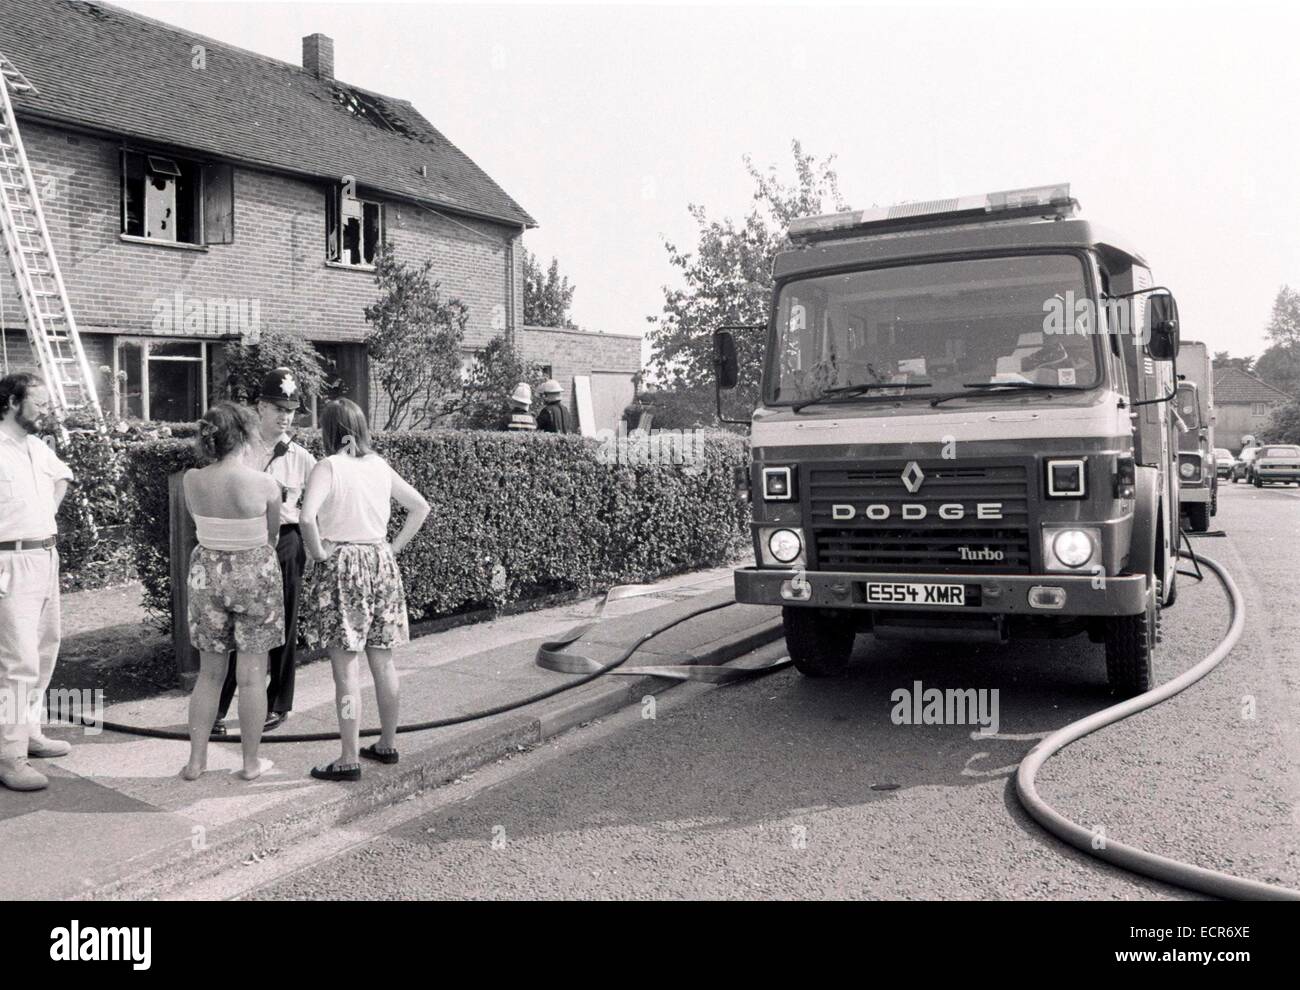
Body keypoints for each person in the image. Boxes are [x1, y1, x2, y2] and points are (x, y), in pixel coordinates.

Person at [298, 399, 429, 781]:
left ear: (328, 431)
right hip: (380, 563)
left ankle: (349, 757)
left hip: (343, 566)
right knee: (383, 661)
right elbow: (420, 507)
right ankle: (387, 744)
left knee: (346, 671)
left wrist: (320, 551)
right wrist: (392, 547)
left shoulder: (329, 466)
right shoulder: (378, 465)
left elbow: (307, 517)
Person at [180, 402, 284, 782]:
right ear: (245, 436)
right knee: (252, 676)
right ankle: (250, 762)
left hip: (206, 571)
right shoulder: (264, 484)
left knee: (209, 674)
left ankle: (196, 761)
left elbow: (197, 520)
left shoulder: (192, 479)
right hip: (253, 570)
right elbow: (271, 536)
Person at [212, 368, 316, 736]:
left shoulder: (302, 458)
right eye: (277, 407)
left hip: (286, 542)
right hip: (245, 539)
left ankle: (278, 704)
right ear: (260, 407)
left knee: (283, 626)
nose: (285, 415)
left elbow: (318, 506)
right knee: (235, 628)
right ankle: (217, 710)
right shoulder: (240, 450)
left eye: (290, 409)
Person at [0, 374, 74, 792]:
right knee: (17, 662)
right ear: (12, 401)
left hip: (45, 556)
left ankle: (27, 732)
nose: (46, 411)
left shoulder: (35, 446)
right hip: (8, 561)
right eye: (39, 403)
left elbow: (62, 477)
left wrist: (44, 512)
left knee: (46, 649)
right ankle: (9, 756)